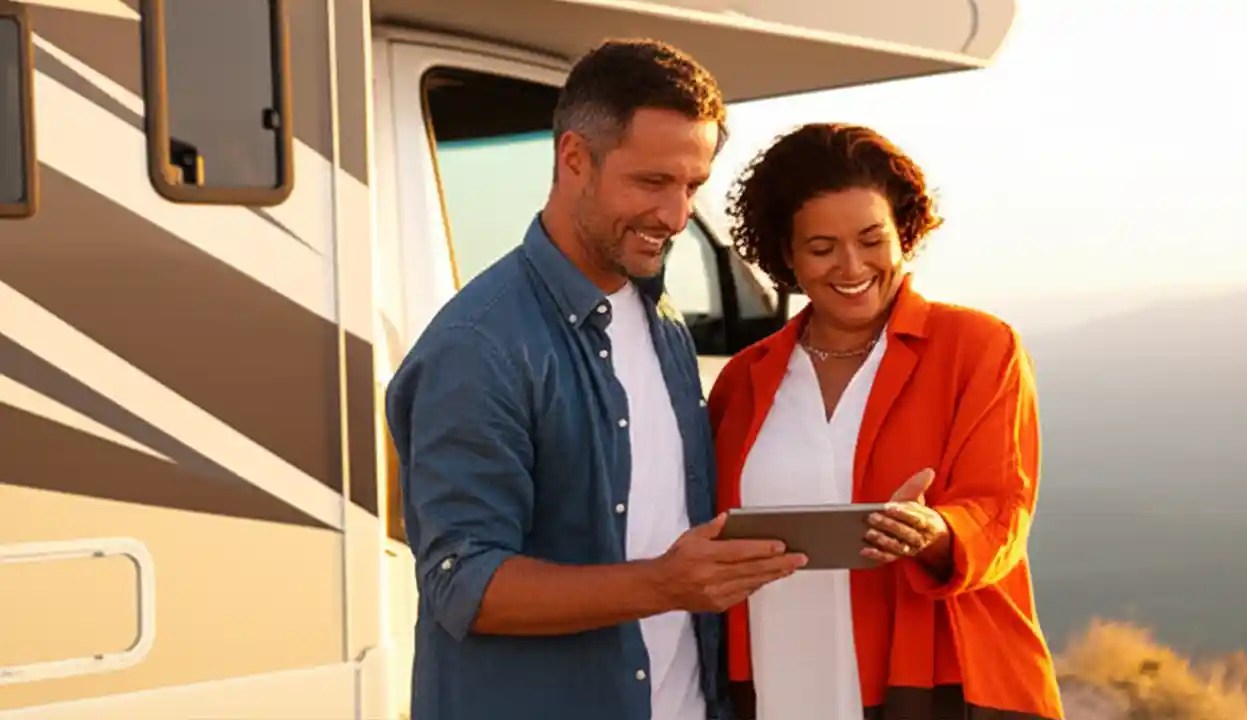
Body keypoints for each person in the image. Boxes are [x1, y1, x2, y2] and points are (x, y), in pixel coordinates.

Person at [385, 39, 806, 720]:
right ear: (574, 158)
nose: (674, 217)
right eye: (651, 182)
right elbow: (465, 584)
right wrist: (665, 584)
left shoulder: (659, 320)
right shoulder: (478, 347)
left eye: (691, 187)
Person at [707, 123, 1065, 720]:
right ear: (786, 256)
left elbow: (1001, 510)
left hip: (933, 684)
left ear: (905, 232)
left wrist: (938, 532)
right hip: (778, 675)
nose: (852, 266)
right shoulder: (743, 380)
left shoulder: (977, 347)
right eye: (822, 248)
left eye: (872, 239)